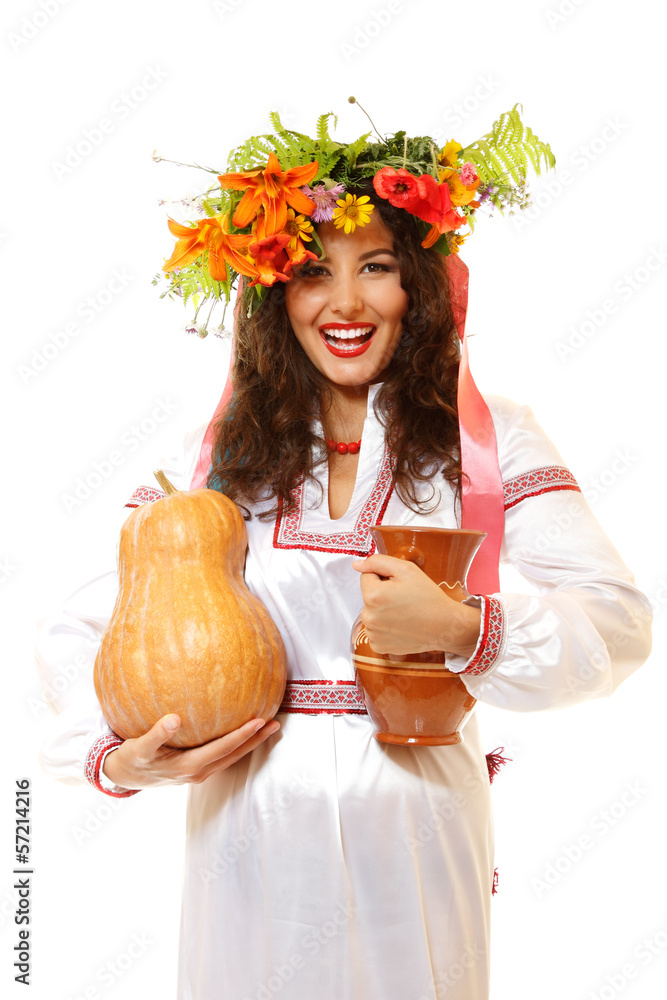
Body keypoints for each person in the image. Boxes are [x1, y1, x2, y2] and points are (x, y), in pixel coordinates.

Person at [37, 108, 652, 1000]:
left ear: (424, 286)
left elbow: (617, 619)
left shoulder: (490, 438)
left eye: (378, 268)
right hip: (247, 825)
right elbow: (89, 627)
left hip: (418, 825)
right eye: (313, 274)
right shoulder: (217, 457)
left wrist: (462, 627)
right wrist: (113, 757)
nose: (347, 304)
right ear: (272, 296)